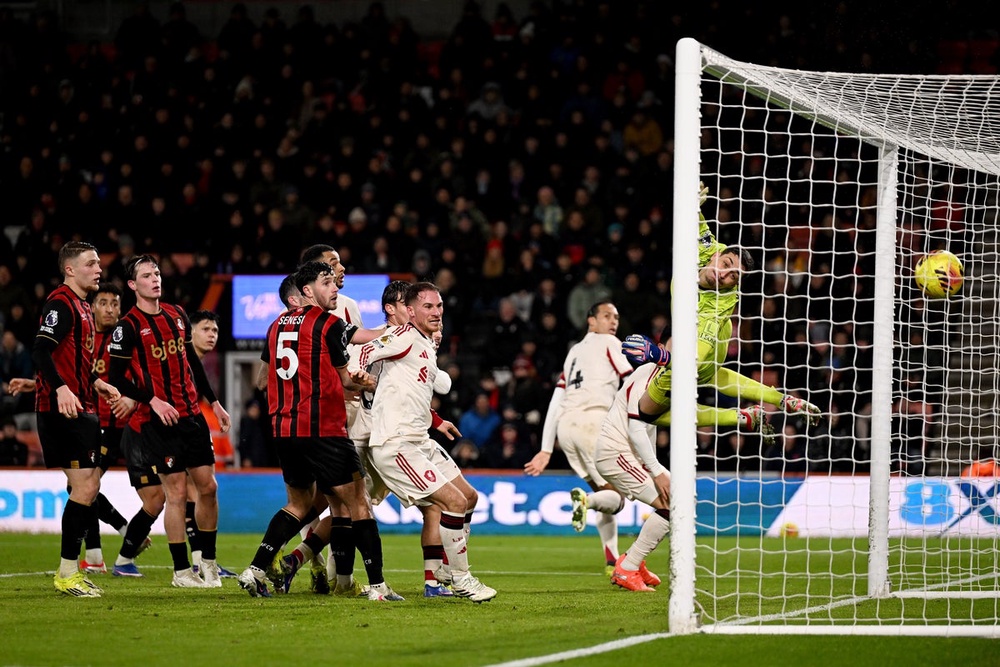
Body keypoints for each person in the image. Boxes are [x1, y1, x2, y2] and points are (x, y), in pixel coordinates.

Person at [238, 261, 403, 601]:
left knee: (298, 505)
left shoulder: (274, 326)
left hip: (284, 429)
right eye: (327, 282)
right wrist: (371, 383)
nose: (335, 288)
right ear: (308, 291)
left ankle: (255, 569)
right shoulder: (328, 323)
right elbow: (347, 380)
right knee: (358, 502)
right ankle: (377, 586)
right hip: (323, 429)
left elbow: (265, 377)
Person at [626, 183, 821, 435]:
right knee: (712, 373)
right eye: (726, 264)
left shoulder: (716, 307)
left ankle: (739, 418)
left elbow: (694, 360)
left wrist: (661, 356)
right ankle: (780, 399)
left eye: (734, 276)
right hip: (710, 339)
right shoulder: (708, 249)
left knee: (645, 412)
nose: (724, 274)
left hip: (708, 340)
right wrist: (691, 201)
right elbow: (697, 222)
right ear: (717, 255)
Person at [358, 281, 497, 602]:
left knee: (469, 497)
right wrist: (356, 372)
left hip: (420, 440)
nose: (436, 313)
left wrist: (433, 354)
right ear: (410, 311)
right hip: (397, 444)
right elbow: (364, 349)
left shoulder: (421, 342)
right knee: (453, 504)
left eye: (439, 307)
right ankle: (460, 579)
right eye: (428, 307)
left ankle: (447, 569)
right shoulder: (403, 335)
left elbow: (443, 386)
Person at [108, 254, 231, 589]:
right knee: (175, 493)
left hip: (191, 415)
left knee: (208, 487)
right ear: (133, 285)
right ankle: (181, 572)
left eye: (157, 273)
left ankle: (207, 561)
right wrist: (152, 400)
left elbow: (191, 362)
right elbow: (116, 377)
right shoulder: (127, 327)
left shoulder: (177, 314)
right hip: (156, 421)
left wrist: (215, 403)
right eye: (147, 275)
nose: (155, 279)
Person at [348, 280, 460, 597]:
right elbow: (362, 357)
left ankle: (432, 580)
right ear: (394, 309)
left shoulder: (415, 341)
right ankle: (335, 573)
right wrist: (356, 377)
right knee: (354, 507)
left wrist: (435, 419)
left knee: (359, 507)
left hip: (398, 434)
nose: (415, 311)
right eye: (407, 304)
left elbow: (427, 388)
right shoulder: (391, 337)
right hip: (376, 435)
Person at [32, 241, 120, 597]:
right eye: (90, 263)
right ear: (70, 269)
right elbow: (40, 350)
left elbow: (73, 359)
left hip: (79, 406)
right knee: (85, 486)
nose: (98, 269)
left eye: (98, 263)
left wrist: (96, 382)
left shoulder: (83, 307)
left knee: (89, 486)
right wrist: (61, 389)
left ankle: (73, 569)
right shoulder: (61, 304)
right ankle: (68, 572)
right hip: (62, 410)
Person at [524, 300, 633, 576]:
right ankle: (585, 502)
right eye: (607, 315)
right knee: (617, 498)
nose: (613, 321)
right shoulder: (611, 343)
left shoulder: (574, 352)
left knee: (604, 492)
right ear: (591, 321)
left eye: (616, 317)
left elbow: (557, 399)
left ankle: (612, 561)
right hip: (594, 423)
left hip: (567, 429)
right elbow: (631, 379)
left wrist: (546, 448)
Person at [592, 362, 670, 591]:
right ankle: (627, 567)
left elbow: (648, 429)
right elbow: (636, 428)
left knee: (683, 500)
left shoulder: (666, 376)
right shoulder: (650, 373)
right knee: (673, 503)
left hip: (631, 454)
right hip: (616, 451)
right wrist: (656, 471)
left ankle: (633, 561)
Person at [186, 309, 237, 577]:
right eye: (205, 329)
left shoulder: (198, 366)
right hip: (170, 429)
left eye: (215, 331)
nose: (211, 335)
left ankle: (200, 562)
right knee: (172, 495)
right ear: (189, 332)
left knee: (194, 492)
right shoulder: (183, 359)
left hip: (188, 428)